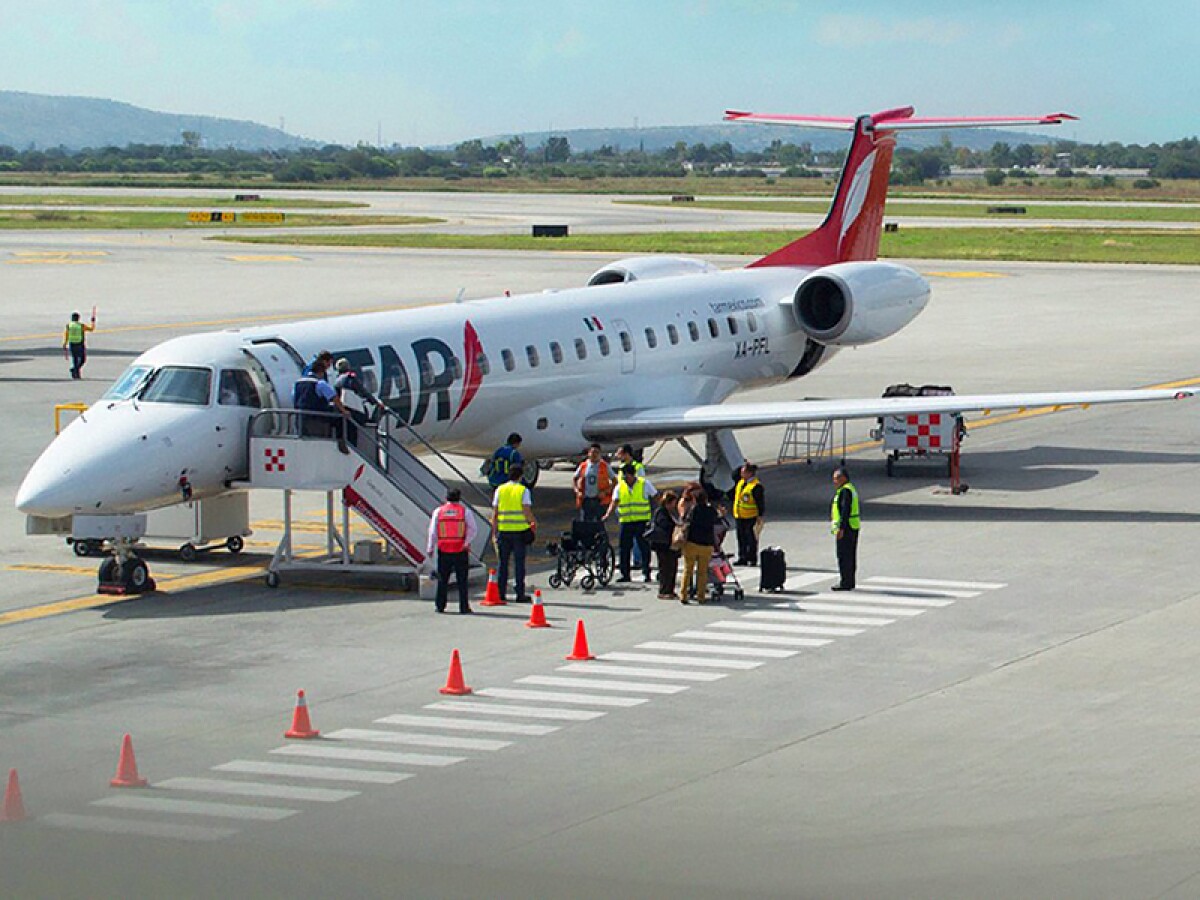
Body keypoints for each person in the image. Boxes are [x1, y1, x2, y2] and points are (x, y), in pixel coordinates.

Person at [425, 488, 478, 614]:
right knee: (462, 580)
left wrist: (430, 547)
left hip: (444, 549)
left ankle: (440, 605)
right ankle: (463, 607)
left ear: (446, 498)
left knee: (442, 579)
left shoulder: (439, 511)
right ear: (459, 498)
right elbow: (473, 530)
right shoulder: (465, 512)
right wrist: (466, 542)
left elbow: (433, 531)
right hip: (460, 550)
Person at [603, 464, 656, 583]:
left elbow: (656, 496)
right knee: (624, 548)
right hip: (626, 521)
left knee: (644, 547)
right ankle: (625, 574)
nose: (625, 479)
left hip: (641, 521)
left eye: (626, 476)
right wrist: (607, 514)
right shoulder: (620, 487)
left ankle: (646, 572)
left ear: (632, 475)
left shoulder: (644, 484)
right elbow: (615, 502)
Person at [491, 464, 536, 603]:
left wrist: (494, 532)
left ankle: (501, 593)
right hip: (519, 532)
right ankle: (520, 594)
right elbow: (526, 510)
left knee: (503, 564)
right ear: (521, 476)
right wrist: (533, 522)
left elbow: (495, 513)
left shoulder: (500, 489)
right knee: (519, 564)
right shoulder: (523, 490)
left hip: (503, 531)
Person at [292, 357, 350, 453]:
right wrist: (344, 411)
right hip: (317, 416)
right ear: (321, 372)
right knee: (341, 419)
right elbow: (334, 397)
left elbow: (294, 397)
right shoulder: (320, 383)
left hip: (301, 417)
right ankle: (341, 441)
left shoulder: (298, 383)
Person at [678, 485, 719, 604]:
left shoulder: (693, 510)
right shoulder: (711, 511)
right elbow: (716, 520)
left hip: (692, 543)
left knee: (688, 570)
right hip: (706, 544)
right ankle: (701, 596)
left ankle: (684, 595)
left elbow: (686, 521)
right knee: (702, 572)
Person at [830, 467, 861, 591]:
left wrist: (841, 528)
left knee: (843, 555)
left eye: (836, 479)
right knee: (850, 555)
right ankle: (850, 581)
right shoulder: (850, 488)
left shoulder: (845, 491)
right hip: (853, 526)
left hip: (847, 527)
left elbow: (845, 511)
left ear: (843, 478)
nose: (834, 481)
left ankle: (845, 582)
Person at [334, 357, 376, 447]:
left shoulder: (337, 381)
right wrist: (374, 402)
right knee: (352, 433)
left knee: (344, 431)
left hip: (342, 411)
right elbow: (363, 391)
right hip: (353, 411)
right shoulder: (350, 378)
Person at [647, 489, 681, 599]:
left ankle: (670, 590)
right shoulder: (661, 512)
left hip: (668, 545)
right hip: (662, 545)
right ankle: (664, 591)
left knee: (671, 567)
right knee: (665, 568)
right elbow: (664, 525)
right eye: (673, 502)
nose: (674, 505)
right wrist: (676, 526)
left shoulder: (667, 512)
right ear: (668, 502)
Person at [732, 463, 766, 566]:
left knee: (751, 538)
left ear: (749, 473)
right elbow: (733, 474)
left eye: (743, 472)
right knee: (741, 538)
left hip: (750, 516)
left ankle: (752, 558)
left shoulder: (756, 486)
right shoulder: (741, 483)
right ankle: (742, 557)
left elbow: (760, 502)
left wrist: (760, 516)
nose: (741, 474)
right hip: (739, 515)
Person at [573, 443, 614, 522]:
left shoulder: (604, 466)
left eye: (597, 452)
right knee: (586, 522)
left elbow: (614, 481)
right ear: (589, 453)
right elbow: (575, 478)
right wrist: (577, 491)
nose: (594, 454)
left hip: (600, 500)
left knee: (599, 523)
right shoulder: (583, 465)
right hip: (586, 499)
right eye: (592, 452)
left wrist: (606, 491)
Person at [63, 311, 95, 380]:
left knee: (75, 359)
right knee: (82, 359)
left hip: (72, 344)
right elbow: (91, 329)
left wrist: (65, 343)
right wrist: (93, 322)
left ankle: (75, 370)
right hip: (80, 343)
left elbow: (66, 335)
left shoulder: (69, 326)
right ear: (78, 318)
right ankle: (76, 373)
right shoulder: (81, 326)